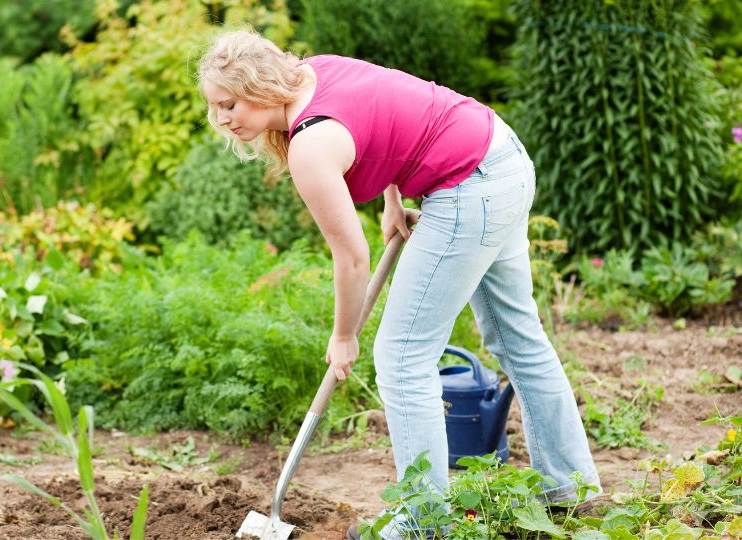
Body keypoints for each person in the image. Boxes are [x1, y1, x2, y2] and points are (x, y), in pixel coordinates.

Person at [198, 30, 601, 539]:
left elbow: (351, 258)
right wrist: (392, 197)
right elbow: (388, 114)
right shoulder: (316, 71)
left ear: (259, 87)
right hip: (501, 156)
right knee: (516, 336)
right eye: (214, 108)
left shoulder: (310, 145)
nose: (222, 119)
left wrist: (344, 337)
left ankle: (422, 521)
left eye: (228, 104)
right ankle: (569, 486)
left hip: (468, 186)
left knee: (402, 357)